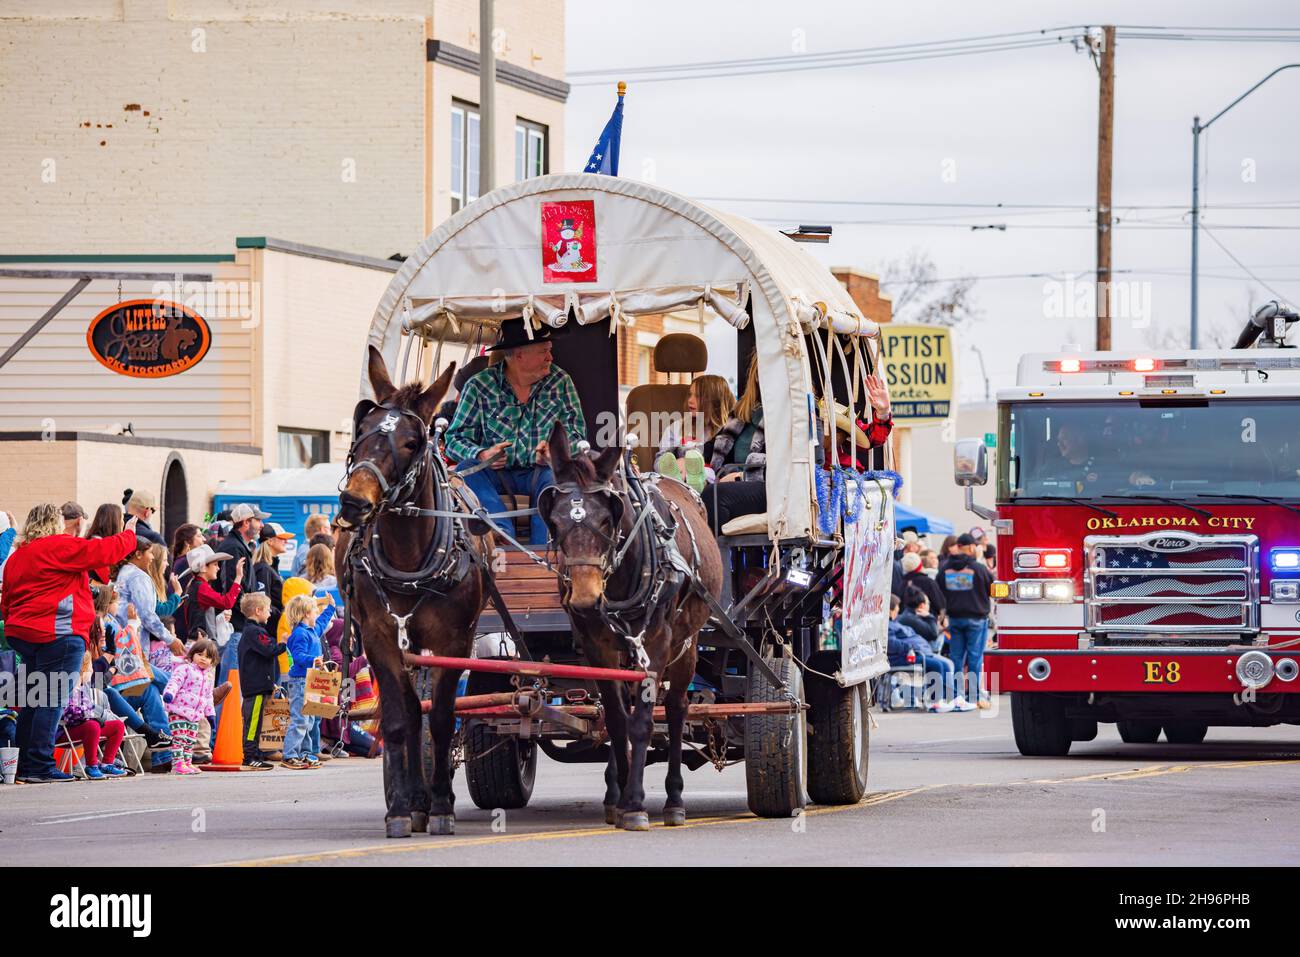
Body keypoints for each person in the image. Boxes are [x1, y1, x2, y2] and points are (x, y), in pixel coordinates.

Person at [0, 504, 138, 783]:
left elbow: (6, 601)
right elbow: (103, 553)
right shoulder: (60, 546)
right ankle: (40, 765)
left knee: (32, 700)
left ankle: (26, 764)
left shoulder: (18, 556)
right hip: (60, 632)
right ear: (56, 523)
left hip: (23, 634)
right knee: (51, 700)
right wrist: (129, 535)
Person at [445, 318, 586, 545]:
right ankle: (500, 534)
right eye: (544, 351)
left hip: (542, 471)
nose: (550, 357)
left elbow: (577, 435)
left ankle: (544, 548)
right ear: (519, 355)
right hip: (495, 474)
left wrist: (556, 452)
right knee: (467, 470)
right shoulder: (479, 386)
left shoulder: (561, 382)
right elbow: (454, 439)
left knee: (559, 475)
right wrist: (482, 455)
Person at [939, 533, 995, 709]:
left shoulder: (945, 568)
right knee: (974, 658)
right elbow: (993, 589)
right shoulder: (978, 568)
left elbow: (938, 590)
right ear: (971, 548)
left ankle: (957, 695)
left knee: (956, 657)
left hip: (955, 619)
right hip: (977, 619)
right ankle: (974, 696)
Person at [281, 594, 337, 769]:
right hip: (300, 681)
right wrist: (313, 660)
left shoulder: (312, 630)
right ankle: (289, 755)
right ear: (306, 613)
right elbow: (298, 656)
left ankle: (305, 753)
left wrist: (331, 607)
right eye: (315, 610)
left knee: (310, 720)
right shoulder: (299, 634)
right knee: (300, 720)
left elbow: (322, 621)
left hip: (311, 681)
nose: (317, 613)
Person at [655, 374, 734, 493]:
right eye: (690, 395)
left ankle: (697, 483)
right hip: (677, 483)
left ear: (714, 400)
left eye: (698, 396)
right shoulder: (676, 428)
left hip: (713, 489)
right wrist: (676, 464)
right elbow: (659, 461)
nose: (690, 400)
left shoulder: (729, 431)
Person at [887, 594, 967, 713]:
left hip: (916, 653)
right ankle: (935, 702)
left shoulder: (896, 623)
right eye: (896, 610)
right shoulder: (889, 626)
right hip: (905, 656)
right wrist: (911, 646)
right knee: (937, 665)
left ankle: (952, 698)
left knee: (943, 665)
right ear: (889, 611)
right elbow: (891, 643)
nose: (897, 613)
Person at [236, 592, 283, 770]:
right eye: (267, 610)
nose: (270, 613)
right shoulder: (254, 632)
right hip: (254, 688)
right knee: (253, 723)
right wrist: (283, 644)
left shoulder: (251, 632)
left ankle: (255, 754)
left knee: (256, 722)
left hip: (258, 686)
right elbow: (270, 649)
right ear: (258, 611)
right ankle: (249, 757)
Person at [62, 653, 129, 779]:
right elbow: (70, 713)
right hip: (66, 731)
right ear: (83, 669)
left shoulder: (83, 687)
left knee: (118, 725)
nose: (92, 671)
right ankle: (91, 765)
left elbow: (91, 705)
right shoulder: (68, 687)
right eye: (90, 668)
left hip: (87, 726)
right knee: (93, 725)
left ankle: (107, 763)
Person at [162, 637, 219, 775]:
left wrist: (210, 714)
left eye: (208, 657)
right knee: (180, 738)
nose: (203, 659)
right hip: (179, 711)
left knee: (190, 740)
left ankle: (187, 762)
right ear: (192, 654)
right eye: (200, 654)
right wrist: (169, 693)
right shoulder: (185, 669)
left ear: (212, 661)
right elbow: (175, 682)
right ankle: (177, 764)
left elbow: (208, 697)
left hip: (195, 715)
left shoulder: (209, 678)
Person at [216, 503, 267, 633]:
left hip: (239, 624)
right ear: (245, 523)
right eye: (258, 520)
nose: (262, 525)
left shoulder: (239, 546)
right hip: (235, 626)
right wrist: (249, 616)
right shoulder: (233, 547)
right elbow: (230, 587)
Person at [253, 522, 294, 634]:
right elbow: (263, 603)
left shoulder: (271, 567)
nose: (286, 541)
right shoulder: (263, 569)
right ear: (270, 541)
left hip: (275, 629)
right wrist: (285, 615)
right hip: (269, 631)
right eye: (282, 538)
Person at [901, 551, 945, 618]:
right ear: (920, 565)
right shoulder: (928, 582)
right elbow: (940, 603)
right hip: (927, 619)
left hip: (905, 620)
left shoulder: (902, 583)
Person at [291, 514, 333, 578]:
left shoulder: (305, 549)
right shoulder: (308, 551)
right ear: (323, 530)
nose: (331, 532)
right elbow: (311, 578)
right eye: (330, 529)